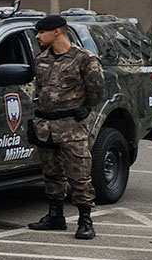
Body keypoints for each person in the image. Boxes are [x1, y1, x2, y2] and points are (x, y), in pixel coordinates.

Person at [27, 14, 106, 240]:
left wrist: (85, 108)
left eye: (41, 32)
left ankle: (85, 220)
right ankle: (55, 216)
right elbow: (37, 89)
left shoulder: (84, 59)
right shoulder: (42, 59)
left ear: (57, 31)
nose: (37, 36)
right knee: (52, 173)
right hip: (46, 126)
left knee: (79, 175)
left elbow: (97, 89)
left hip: (72, 126)